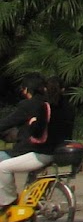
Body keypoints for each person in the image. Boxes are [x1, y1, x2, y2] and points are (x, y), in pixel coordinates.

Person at [0, 75, 70, 210]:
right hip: (51, 150)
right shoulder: (58, 106)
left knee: (3, 167)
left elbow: (10, 122)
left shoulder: (33, 105)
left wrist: (32, 126)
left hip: (38, 152)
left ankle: (8, 201)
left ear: (26, 90)